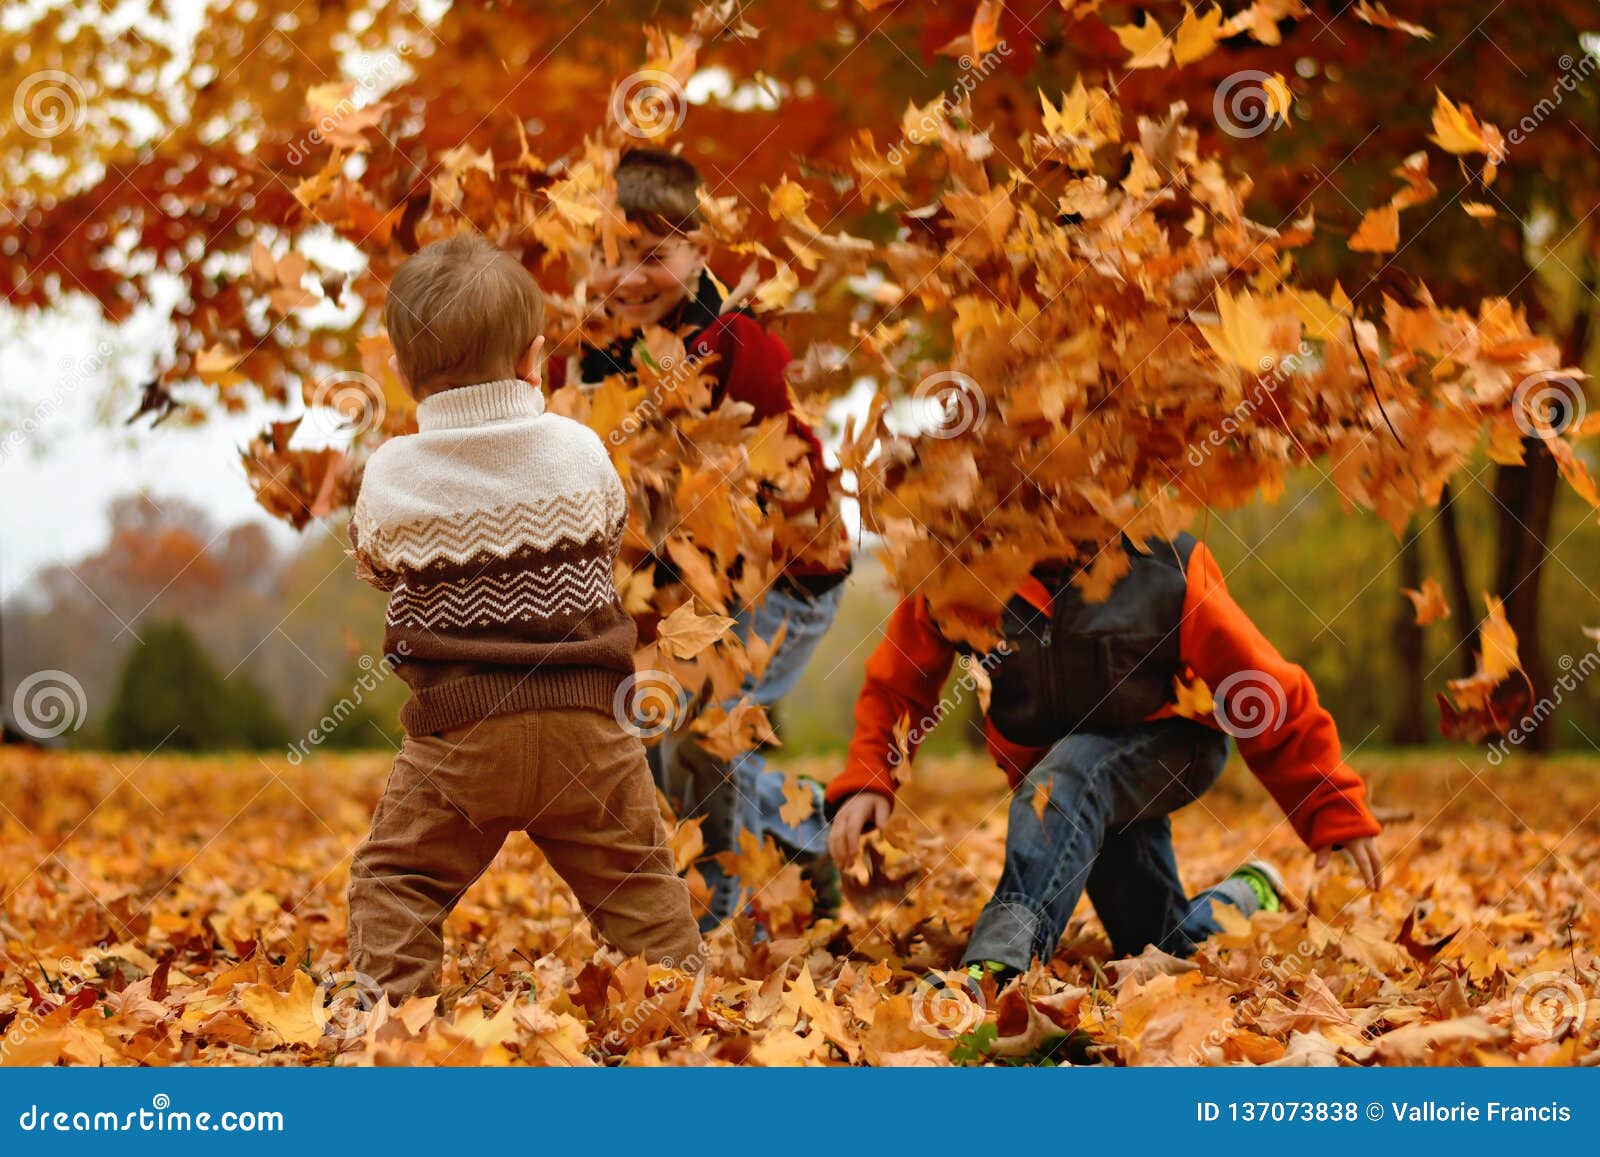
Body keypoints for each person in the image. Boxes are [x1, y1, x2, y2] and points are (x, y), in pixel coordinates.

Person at [346, 233, 702, 999]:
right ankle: (680, 1014)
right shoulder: (579, 449)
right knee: (638, 879)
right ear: (534, 359)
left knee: (398, 876)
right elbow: (608, 531)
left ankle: (390, 1020)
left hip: (461, 734)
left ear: (402, 373)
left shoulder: (391, 472)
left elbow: (375, 563)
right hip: (590, 726)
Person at [826, 533, 1384, 982]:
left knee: (1069, 774)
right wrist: (871, 777)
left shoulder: (1162, 559)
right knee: (1156, 944)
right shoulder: (955, 567)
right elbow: (900, 685)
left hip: (1172, 743)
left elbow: (1259, 687)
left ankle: (1000, 966)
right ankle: (1247, 894)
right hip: (1070, 780)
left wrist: (1328, 804)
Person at [551, 148, 850, 929]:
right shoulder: (586, 358)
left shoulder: (740, 346)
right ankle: (805, 827)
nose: (628, 278)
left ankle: (716, 918)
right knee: (654, 739)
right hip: (680, 589)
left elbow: (787, 495)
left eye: (653, 255)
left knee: (707, 738)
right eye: (609, 257)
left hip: (784, 580)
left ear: (699, 251)